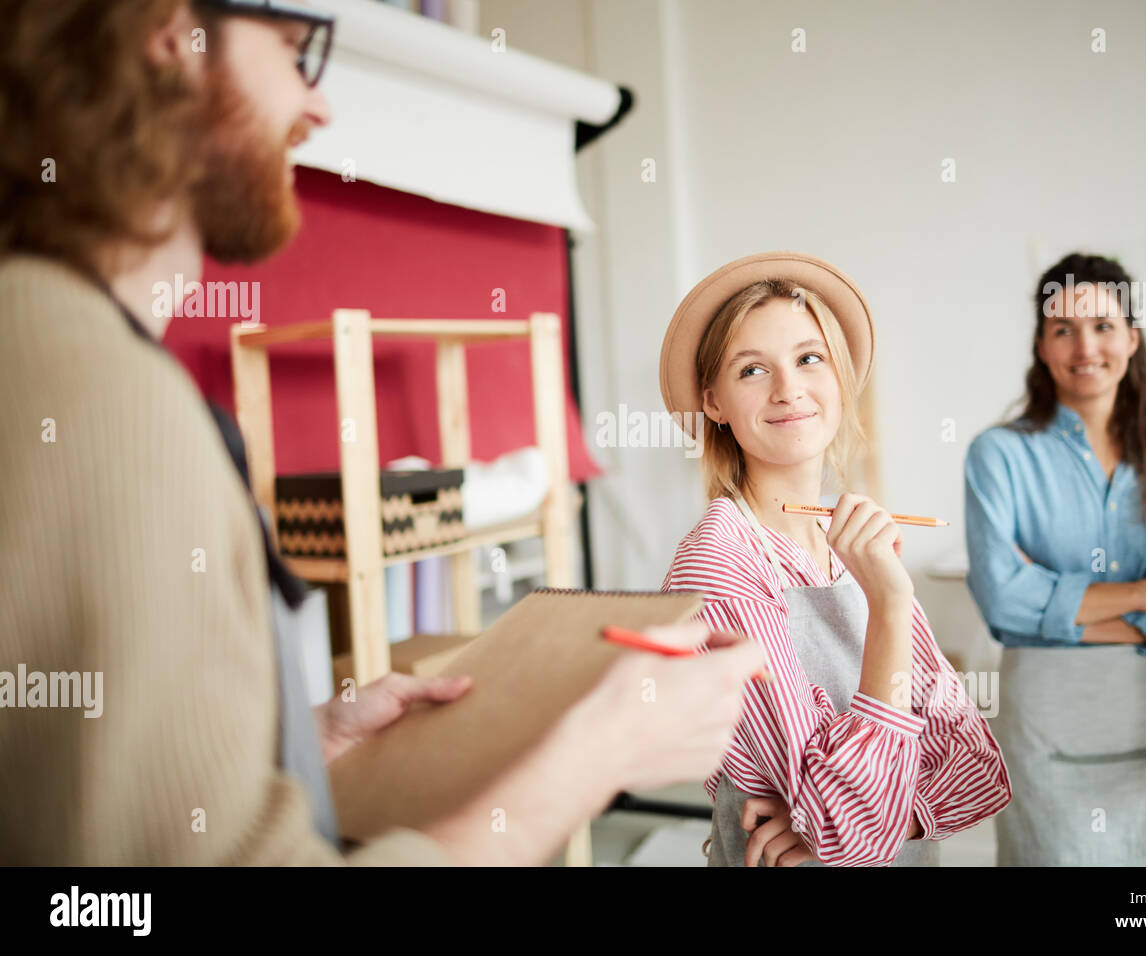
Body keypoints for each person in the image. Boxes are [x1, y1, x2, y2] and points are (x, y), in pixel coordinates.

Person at [0, 0, 764, 866]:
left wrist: (306, 750)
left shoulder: (57, 351)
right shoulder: (104, 401)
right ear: (174, 38)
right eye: (294, 51)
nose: (319, 107)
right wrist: (602, 753)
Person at [659, 251, 1012, 867]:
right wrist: (891, 604)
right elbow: (847, 828)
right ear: (713, 402)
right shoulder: (717, 564)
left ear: (841, 378)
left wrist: (868, 820)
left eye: (808, 358)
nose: (788, 388)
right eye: (751, 370)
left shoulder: (849, 537)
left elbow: (972, 765)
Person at [964, 252, 1146, 866]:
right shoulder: (999, 455)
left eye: (1103, 326)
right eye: (1063, 329)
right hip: (1048, 738)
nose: (1085, 347)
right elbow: (1002, 599)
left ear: (1131, 338)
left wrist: (1055, 606)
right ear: (1041, 345)